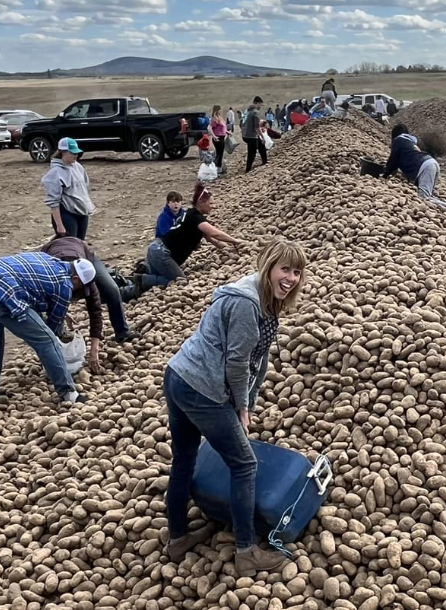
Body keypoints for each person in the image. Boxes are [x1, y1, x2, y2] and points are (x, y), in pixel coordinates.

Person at [163, 238, 308, 576]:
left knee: (184, 459)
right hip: (201, 387)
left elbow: (260, 356)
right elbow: (238, 363)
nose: (291, 278)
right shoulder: (248, 305)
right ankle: (246, 552)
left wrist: (249, 402)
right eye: (285, 269)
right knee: (244, 465)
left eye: (297, 272)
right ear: (268, 267)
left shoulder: (261, 296)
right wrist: (242, 407)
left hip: (179, 374)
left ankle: (177, 539)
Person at [0, 252, 95, 405]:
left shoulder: (48, 259)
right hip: (2, 291)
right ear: (76, 279)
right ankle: (68, 393)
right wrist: (60, 343)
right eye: (79, 286)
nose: (75, 290)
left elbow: (32, 292)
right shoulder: (64, 284)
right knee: (47, 340)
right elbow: (52, 328)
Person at [126, 183, 242, 299]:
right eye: (211, 203)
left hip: (157, 249)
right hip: (161, 252)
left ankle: (135, 281)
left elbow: (213, 240)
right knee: (179, 280)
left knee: (161, 277)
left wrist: (230, 249)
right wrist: (236, 241)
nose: (213, 206)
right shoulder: (195, 217)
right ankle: (142, 279)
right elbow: (214, 233)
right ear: (201, 202)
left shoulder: (191, 214)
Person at [40, 237, 134, 366]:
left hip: (82, 252)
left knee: (112, 290)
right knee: (52, 314)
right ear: (75, 279)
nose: (83, 293)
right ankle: (55, 352)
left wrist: (94, 350)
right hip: (52, 253)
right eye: (81, 288)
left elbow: (95, 310)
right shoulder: (51, 278)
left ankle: (122, 332)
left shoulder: (86, 275)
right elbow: (44, 302)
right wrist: (63, 313)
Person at [382, 124, 446, 211]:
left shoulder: (398, 140)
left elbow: (393, 160)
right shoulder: (411, 142)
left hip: (426, 167)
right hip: (431, 163)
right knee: (428, 195)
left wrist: (384, 174)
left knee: (423, 198)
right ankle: (444, 207)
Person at [43, 137, 95, 240]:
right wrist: (60, 225)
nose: (76, 155)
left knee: (80, 243)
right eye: (73, 153)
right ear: (63, 152)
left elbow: (85, 186)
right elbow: (53, 202)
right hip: (66, 214)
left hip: (81, 211)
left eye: (76, 153)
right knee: (69, 245)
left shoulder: (78, 167)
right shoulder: (55, 173)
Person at [243, 96, 267, 173]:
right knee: (252, 153)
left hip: (245, 134)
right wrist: (263, 137)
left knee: (261, 146)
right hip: (251, 136)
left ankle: (265, 161)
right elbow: (257, 127)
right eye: (260, 104)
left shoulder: (248, 111)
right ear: (257, 103)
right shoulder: (255, 113)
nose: (260, 106)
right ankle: (248, 170)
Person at [209, 105, 228, 173]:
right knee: (219, 153)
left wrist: (227, 132)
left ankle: (218, 167)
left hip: (222, 137)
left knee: (221, 153)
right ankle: (218, 168)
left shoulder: (220, 118)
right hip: (218, 137)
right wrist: (213, 136)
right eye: (220, 109)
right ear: (217, 110)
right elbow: (209, 127)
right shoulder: (215, 119)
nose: (221, 111)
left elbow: (222, 128)